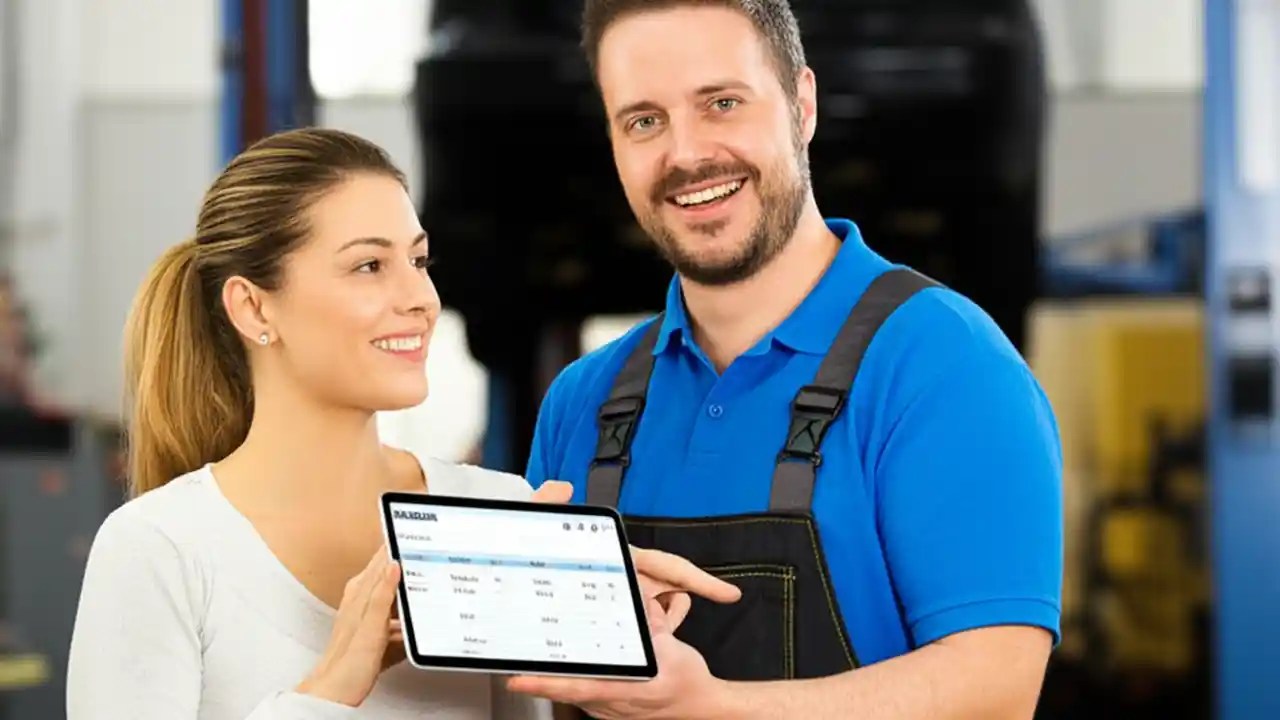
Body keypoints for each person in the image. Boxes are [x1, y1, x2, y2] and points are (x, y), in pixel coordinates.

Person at [65, 127, 738, 719]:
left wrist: (607, 639)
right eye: (369, 266)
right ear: (252, 309)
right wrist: (331, 687)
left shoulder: (496, 512)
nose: (420, 298)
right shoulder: (159, 550)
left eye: (418, 261)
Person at [510, 2, 1063, 718]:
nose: (686, 154)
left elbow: (993, 692)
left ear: (801, 106)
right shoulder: (583, 401)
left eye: (722, 103)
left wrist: (709, 707)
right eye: (644, 121)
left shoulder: (944, 368)